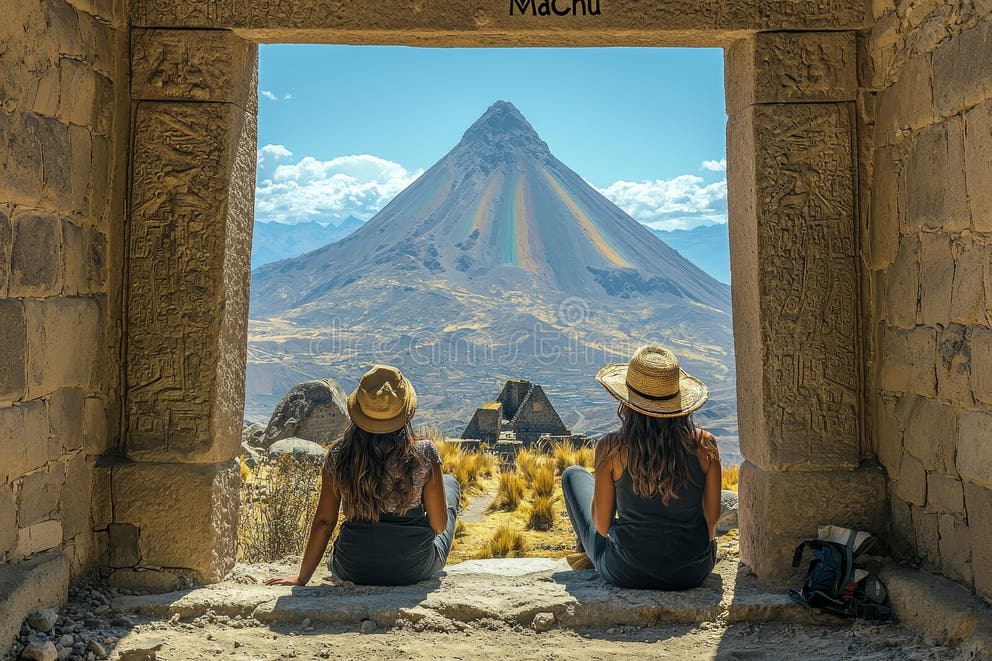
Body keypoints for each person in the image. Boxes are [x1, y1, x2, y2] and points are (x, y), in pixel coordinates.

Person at [265, 365, 460, 587]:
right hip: (411, 568)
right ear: (406, 411)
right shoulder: (424, 454)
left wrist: (302, 578)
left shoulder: (339, 455)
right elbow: (438, 526)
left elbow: (324, 521)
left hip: (352, 566)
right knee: (450, 484)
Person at [561, 345, 721, 590]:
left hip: (626, 570)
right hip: (691, 572)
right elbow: (711, 525)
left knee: (573, 475)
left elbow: (602, 527)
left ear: (627, 400)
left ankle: (585, 556)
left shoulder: (613, 447)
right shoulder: (705, 446)